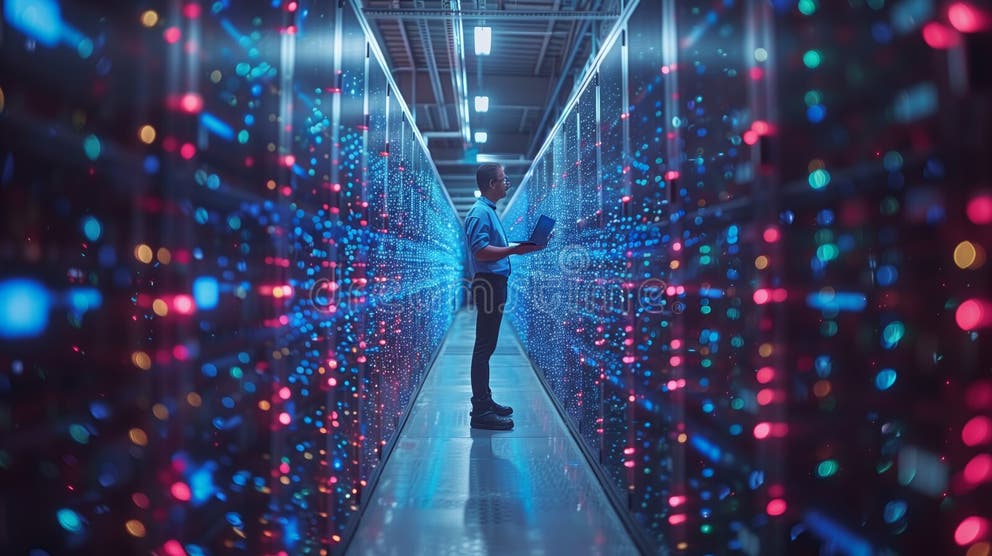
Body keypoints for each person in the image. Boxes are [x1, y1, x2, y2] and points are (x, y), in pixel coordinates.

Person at [464, 164, 544, 430]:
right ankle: (481, 410)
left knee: (487, 347)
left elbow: (491, 248)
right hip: (488, 283)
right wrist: (513, 251)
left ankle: (485, 401)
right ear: (491, 184)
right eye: (503, 179)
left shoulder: (487, 211)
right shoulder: (480, 213)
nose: (507, 183)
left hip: (494, 282)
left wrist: (521, 247)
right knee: (483, 348)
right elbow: (480, 252)